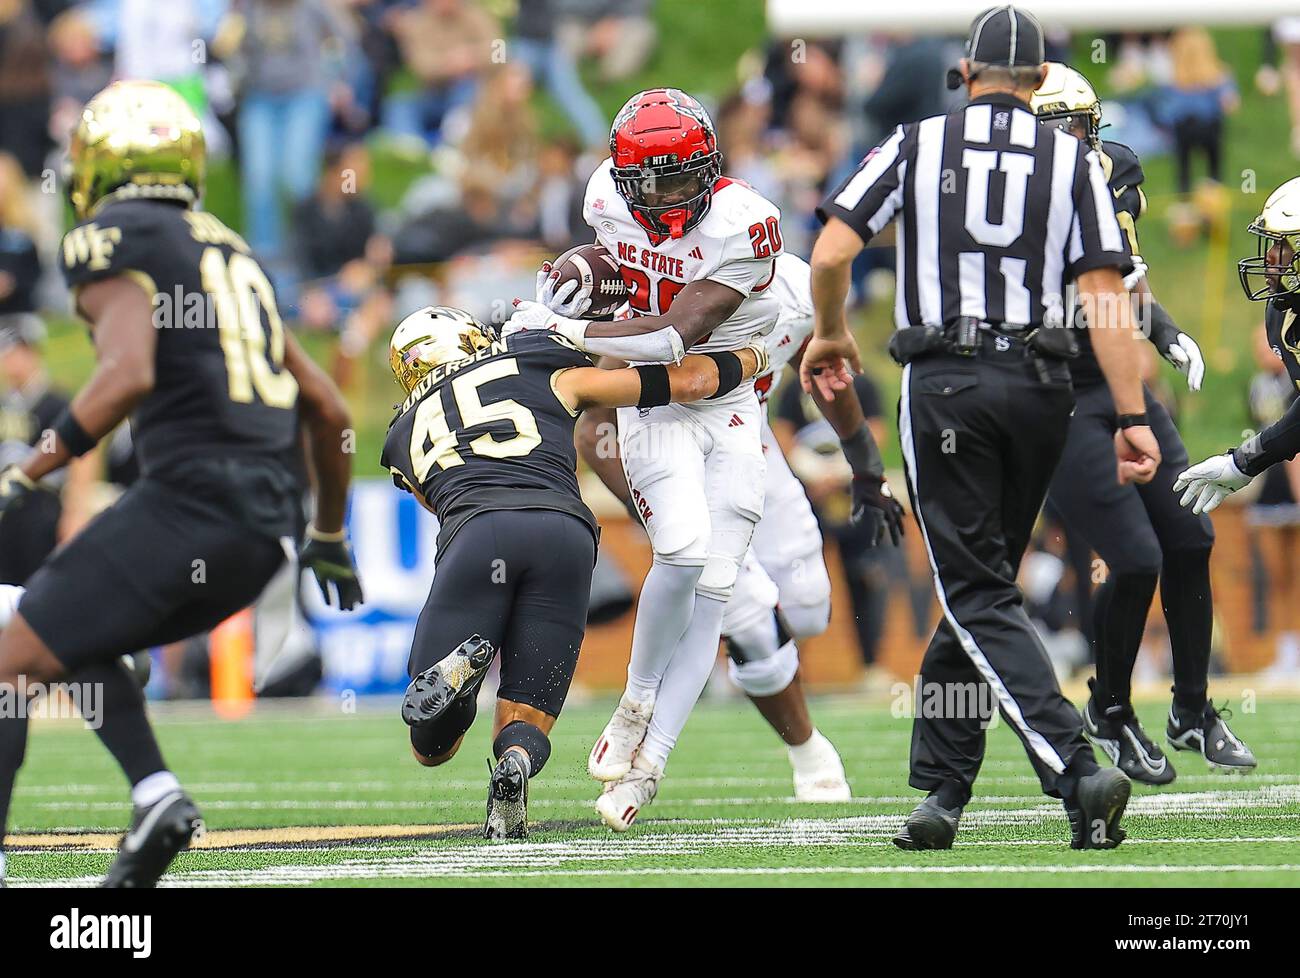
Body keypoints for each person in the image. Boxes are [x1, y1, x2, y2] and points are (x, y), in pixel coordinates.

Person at [802, 6, 1160, 851]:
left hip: (949, 381)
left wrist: (831, 331)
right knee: (982, 583)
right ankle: (944, 790)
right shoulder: (1071, 162)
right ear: (1038, 83)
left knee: (972, 589)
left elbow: (830, 253)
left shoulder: (918, 143)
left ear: (964, 74)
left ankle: (1077, 767)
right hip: (1042, 387)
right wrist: (1133, 415)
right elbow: (1106, 297)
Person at [0, 81, 362, 888]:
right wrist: (327, 535)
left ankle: (143, 797)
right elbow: (329, 407)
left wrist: (29, 468)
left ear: (98, 167)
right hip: (264, 532)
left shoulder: (111, 238)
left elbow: (126, 373)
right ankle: (156, 794)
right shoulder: (234, 252)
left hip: (190, 504)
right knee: (61, 628)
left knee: (9, 661)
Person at [504, 88, 788, 831]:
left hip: (725, 393)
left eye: (681, 177)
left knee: (718, 592)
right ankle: (635, 700)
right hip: (652, 403)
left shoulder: (746, 224)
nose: (665, 197)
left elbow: (677, 336)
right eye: (650, 182)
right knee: (686, 556)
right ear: (622, 179)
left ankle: (651, 762)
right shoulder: (604, 196)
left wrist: (561, 331)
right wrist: (580, 278)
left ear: (712, 167)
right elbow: (615, 269)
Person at [381, 306, 766, 839]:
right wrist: (752, 355)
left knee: (431, 746)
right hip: (564, 532)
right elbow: (676, 382)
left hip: (477, 533)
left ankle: (459, 681)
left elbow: (441, 500)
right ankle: (513, 764)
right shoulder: (535, 362)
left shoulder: (400, 434)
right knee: (528, 709)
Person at [575, 253, 906, 802]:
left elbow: (827, 370)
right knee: (748, 612)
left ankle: (742, 649)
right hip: (670, 453)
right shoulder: (660, 291)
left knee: (808, 606)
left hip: (746, 441)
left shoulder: (798, 290)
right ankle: (806, 751)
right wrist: (659, 515)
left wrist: (867, 468)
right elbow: (593, 429)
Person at [1030, 64, 1255, 782]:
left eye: (1079, 127)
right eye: (1054, 130)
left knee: (1189, 533)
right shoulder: (1004, 202)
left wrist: (1162, 330)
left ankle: (1191, 708)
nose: (1073, 143)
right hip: (1052, 392)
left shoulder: (1113, 170)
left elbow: (1120, 279)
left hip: (1118, 383)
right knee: (1135, 556)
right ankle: (1111, 708)